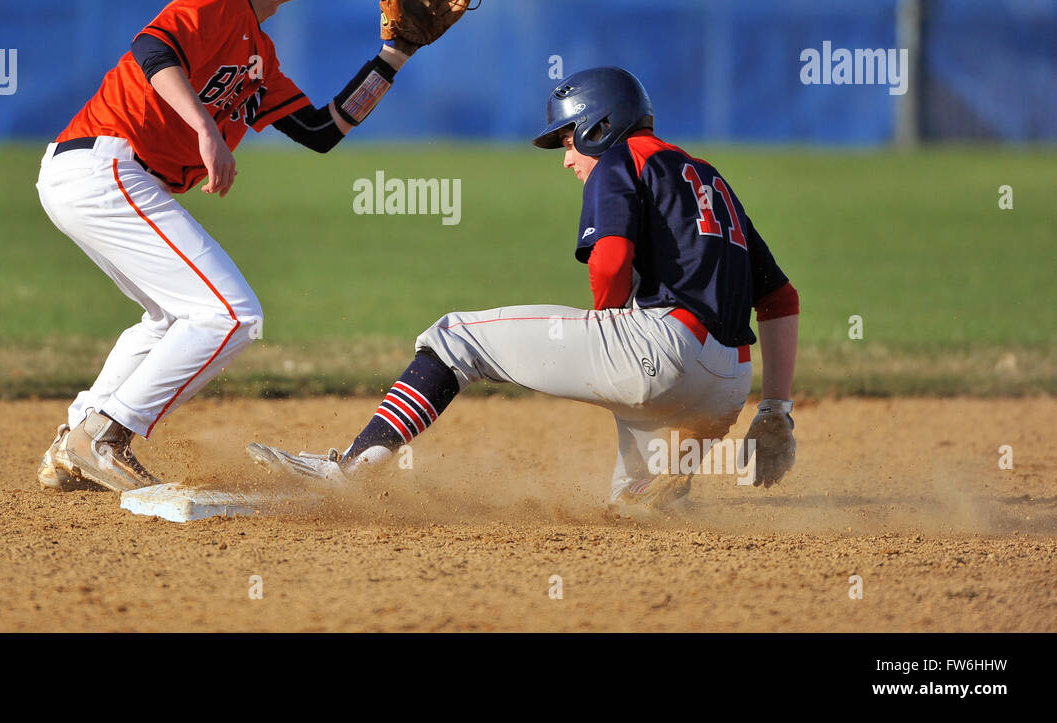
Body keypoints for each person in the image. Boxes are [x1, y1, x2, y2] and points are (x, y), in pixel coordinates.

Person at [247, 67, 800, 513]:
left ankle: (352, 470)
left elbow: (610, 260)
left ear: (599, 127)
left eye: (568, 139)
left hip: (660, 353)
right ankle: (672, 504)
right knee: (634, 511)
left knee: (454, 338)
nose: (566, 158)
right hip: (729, 383)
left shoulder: (619, 159)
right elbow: (780, 298)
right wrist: (773, 409)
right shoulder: (709, 178)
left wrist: (607, 329)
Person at [35, 0, 428, 493]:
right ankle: (105, 433)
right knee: (232, 313)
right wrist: (204, 129)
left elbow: (324, 131)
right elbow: (152, 49)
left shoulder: (260, 53)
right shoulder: (220, 1)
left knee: (168, 318)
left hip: (94, 175)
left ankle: (74, 441)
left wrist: (393, 55)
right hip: (105, 164)